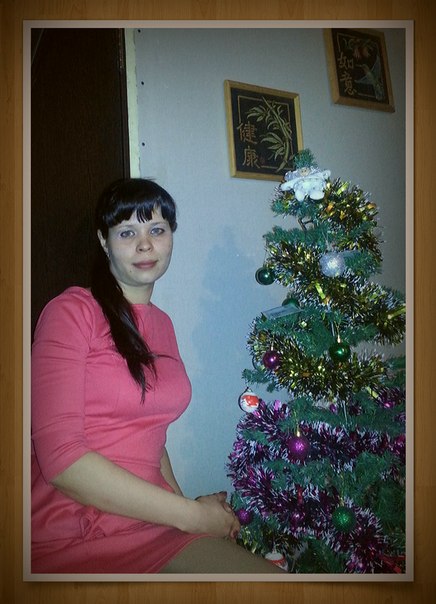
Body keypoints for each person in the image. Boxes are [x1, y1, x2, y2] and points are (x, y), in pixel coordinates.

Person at [31, 178, 286, 575]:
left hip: (150, 519)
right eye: (127, 232)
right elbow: (63, 463)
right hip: (74, 526)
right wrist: (192, 516)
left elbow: (152, 434)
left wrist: (190, 520)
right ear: (103, 241)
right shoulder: (71, 312)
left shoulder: (163, 324)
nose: (145, 245)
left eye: (157, 230)